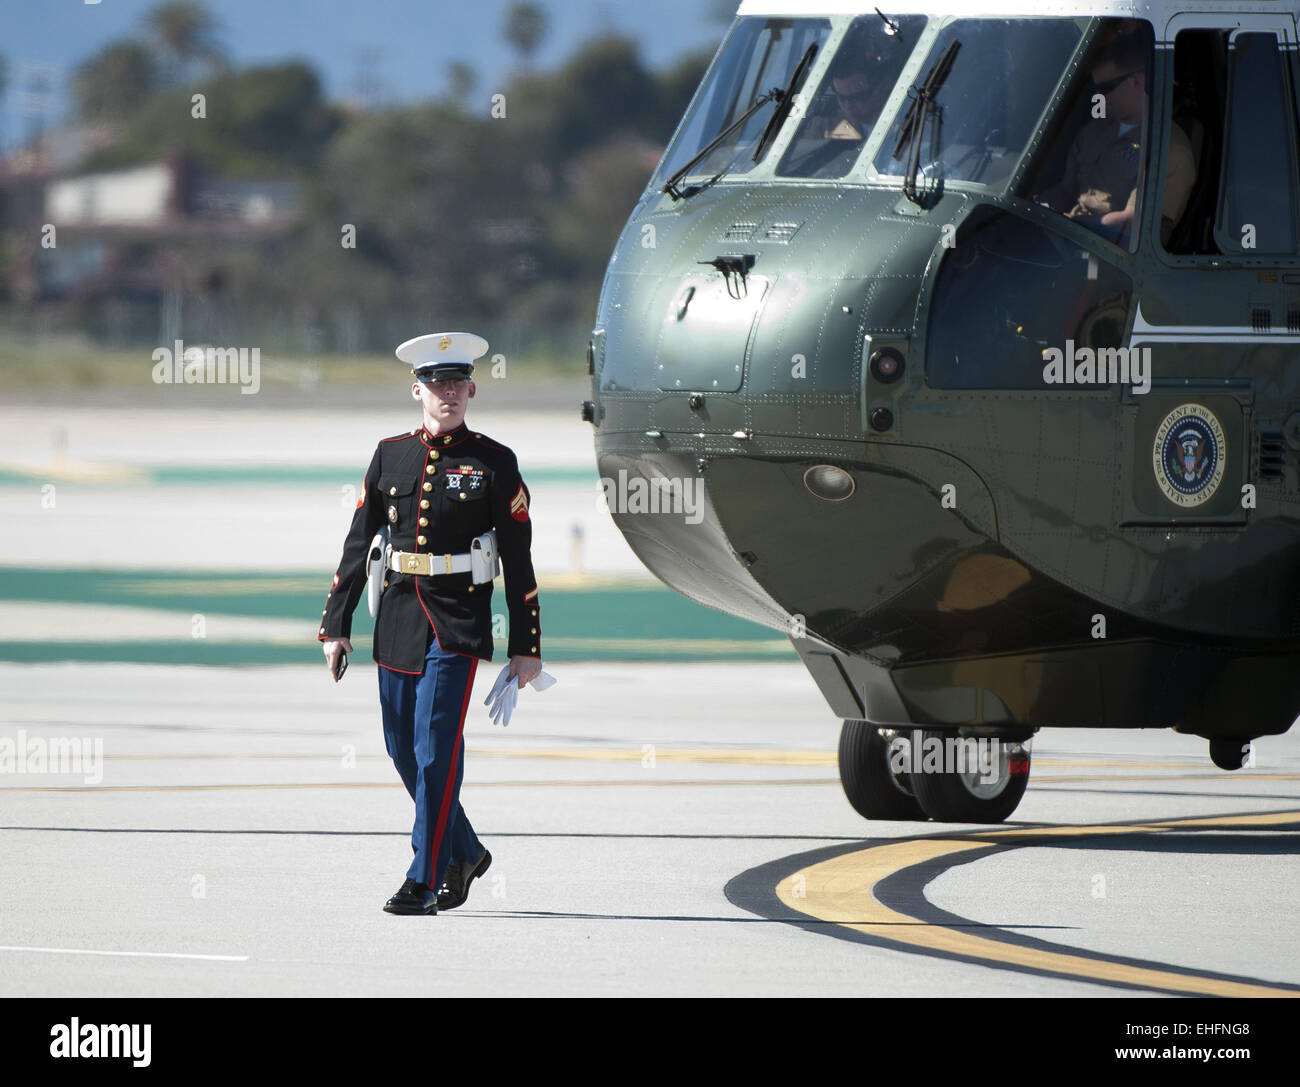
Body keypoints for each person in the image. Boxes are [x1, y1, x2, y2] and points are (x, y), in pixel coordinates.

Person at [319, 332, 542, 915]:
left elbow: (518, 561)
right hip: (396, 616)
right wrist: (335, 626)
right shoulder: (391, 453)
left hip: (459, 621)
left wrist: (527, 646)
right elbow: (358, 540)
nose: (447, 393)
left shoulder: (494, 462)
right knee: (401, 747)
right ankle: (465, 850)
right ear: (416, 390)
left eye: (456, 384)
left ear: (472, 389)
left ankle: (425, 875)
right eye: (435, 384)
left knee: (435, 748)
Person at [1038, 32, 1196, 246]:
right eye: (1095, 90)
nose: (1099, 98)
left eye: (1105, 88)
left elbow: (1135, 222)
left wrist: (1073, 224)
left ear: (1137, 82)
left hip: (1111, 257)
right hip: (1067, 242)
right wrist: (1039, 207)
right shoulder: (1092, 131)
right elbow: (1067, 188)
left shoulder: (1169, 149)